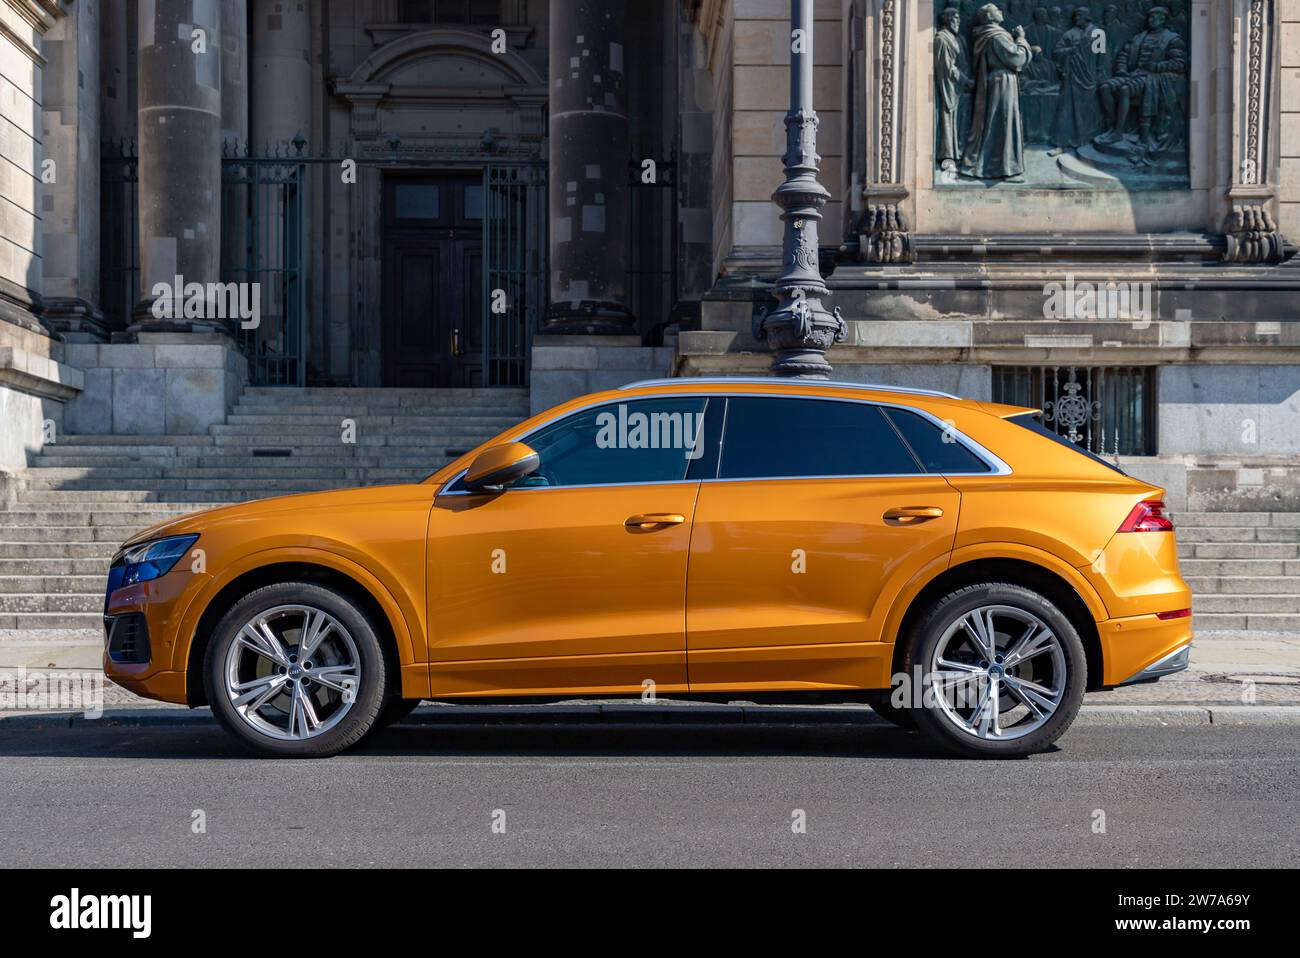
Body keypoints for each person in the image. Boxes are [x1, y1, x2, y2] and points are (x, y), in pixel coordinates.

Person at [1094, 5, 1186, 154]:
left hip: (1151, 77)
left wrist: (1157, 66)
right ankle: (1116, 126)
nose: (1150, 20)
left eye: (1154, 17)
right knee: (1105, 87)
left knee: (1125, 90)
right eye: (1149, 17)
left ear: (1163, 19)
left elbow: (1179, 63)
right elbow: (1124, 54)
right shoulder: (1139, 37)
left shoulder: (1172, 39)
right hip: (1133, 74)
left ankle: (1117, 133)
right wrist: (1122, 70)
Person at [960, 4, 1035, 180]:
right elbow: (1017, 58)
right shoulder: (997, 36)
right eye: (996, 10)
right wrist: (1021, 39)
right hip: (1003, 82)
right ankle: (1004, 168)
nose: (1000, 12)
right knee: (1004, 123)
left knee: (998, 122)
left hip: (996, 82)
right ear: (989, 16)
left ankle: (999, 166)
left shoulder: (987, 34)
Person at [1049, 6, 1106, 152]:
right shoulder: (1070, 34)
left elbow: (1103, 57)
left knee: (1090, 110)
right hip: (1073, 77)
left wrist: (1100, 74)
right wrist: (1070, 50)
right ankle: (1065, 141)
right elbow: (1056, 52)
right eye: (1075, 17)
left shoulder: (1097, 33)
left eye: (1079, 16)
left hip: (1090, 77)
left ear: (1087, 17)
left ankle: (1089, 137)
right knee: (1068, 109)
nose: (1076, 19)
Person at [935, 6, 970, 172]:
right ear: (947, 20)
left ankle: (958, 153)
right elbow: (948, 68)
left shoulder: (957, 38)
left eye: (959, 19)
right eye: (955, 19)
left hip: (959, 88)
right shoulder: (942, 39)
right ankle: (947, 157)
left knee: (958, 122)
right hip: (949, 87)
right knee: (947, 119)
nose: (958, 22)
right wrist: (966, 80)